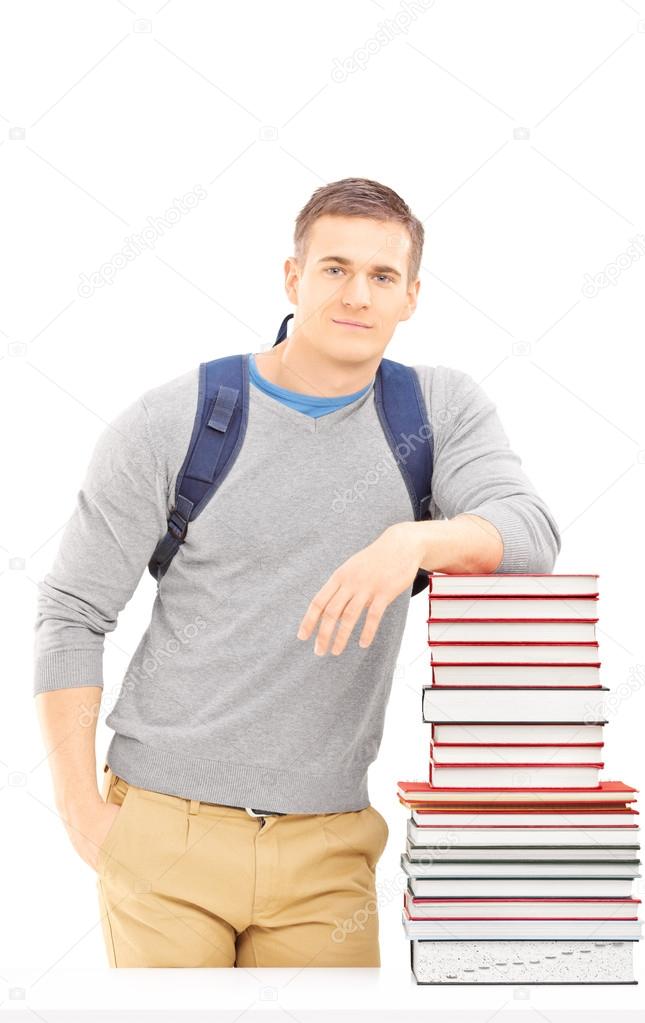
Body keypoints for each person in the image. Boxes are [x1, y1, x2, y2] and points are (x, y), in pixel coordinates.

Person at [33, 176, 561, 968]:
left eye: (383, 276)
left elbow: (530, 535)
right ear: (293, 278)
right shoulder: (176, 419)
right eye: (334, 269)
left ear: (412, 295)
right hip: (165, 833)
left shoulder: (437, 412)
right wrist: (80, 808)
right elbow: (72, 608)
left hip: (330, 848)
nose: (357, 294)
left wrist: (409, 543)